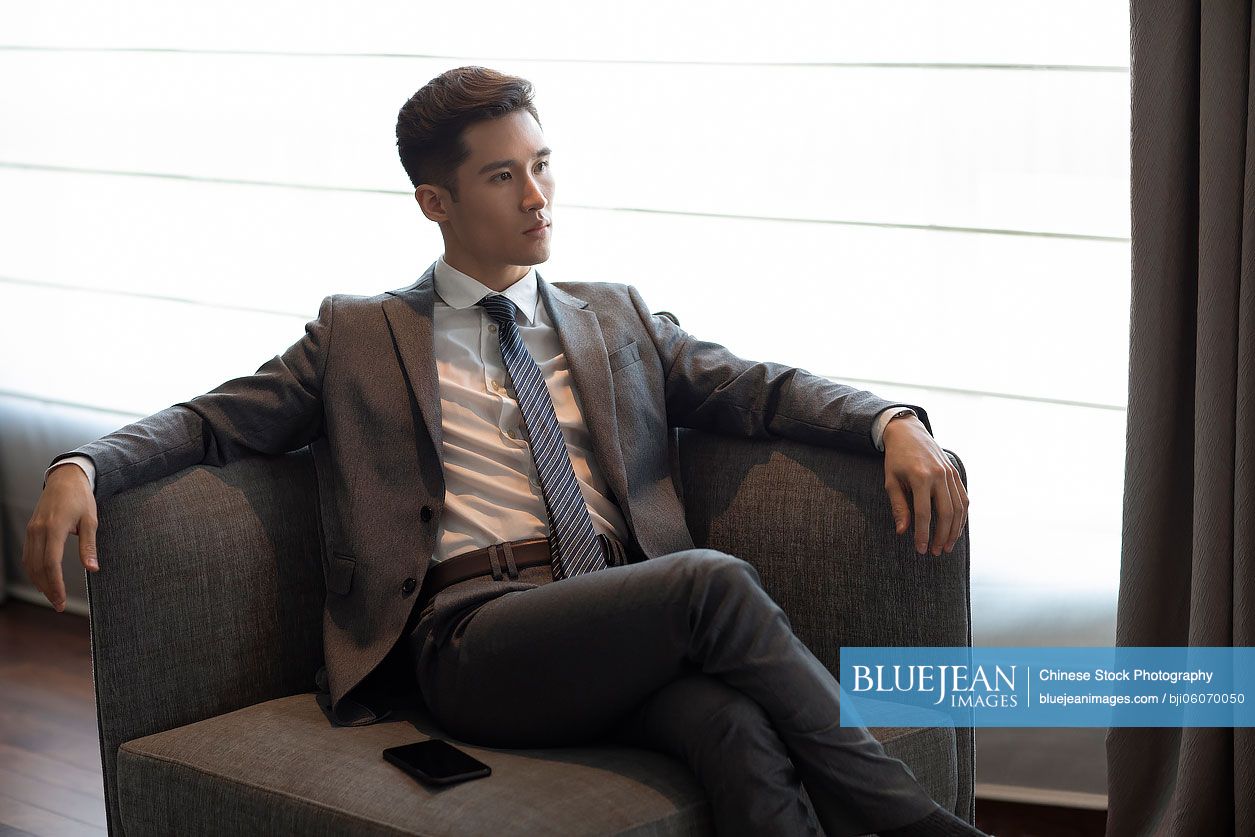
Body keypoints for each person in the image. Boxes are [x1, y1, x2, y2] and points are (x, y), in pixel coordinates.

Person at [23, 66, 980, 837]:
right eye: (502, 176)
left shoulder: (616, 316)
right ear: (434, 200)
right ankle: (909, 824)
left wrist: (886, 421)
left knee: (730, 728)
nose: (537, 197)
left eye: (543, 165)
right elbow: (209, 419)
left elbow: (760, 388)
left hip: (611, 625)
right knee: (710, 582)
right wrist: (84, 465)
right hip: (471, 639)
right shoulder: (359, 334)